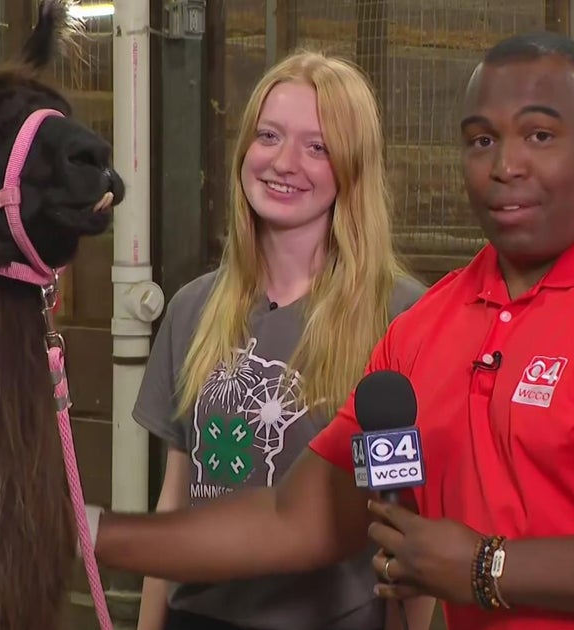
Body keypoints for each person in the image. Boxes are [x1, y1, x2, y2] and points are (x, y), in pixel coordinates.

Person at [89, 31, 574, 630]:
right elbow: (291, 521)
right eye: (481, 140)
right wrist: (84, 531)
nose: (506, 165)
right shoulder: (427, 333)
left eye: (540, 134)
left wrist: (486, 568)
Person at [130, 49, 430, 630]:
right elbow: (172, 502)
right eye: (269, 136)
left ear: (351, 168)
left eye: (317, 147)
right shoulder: (194, 308)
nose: (285, 162)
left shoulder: (400, 318)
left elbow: (409, 523)